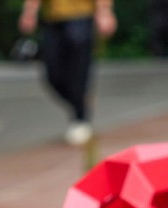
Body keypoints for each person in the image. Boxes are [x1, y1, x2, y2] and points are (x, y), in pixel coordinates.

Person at [18, 0, 116, 146]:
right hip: (53, 19)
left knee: (78, 71)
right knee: (52, 73)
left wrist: (104, 11)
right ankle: (81, 103)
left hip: (82, 16)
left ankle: (80, 119)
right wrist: (29, 12)